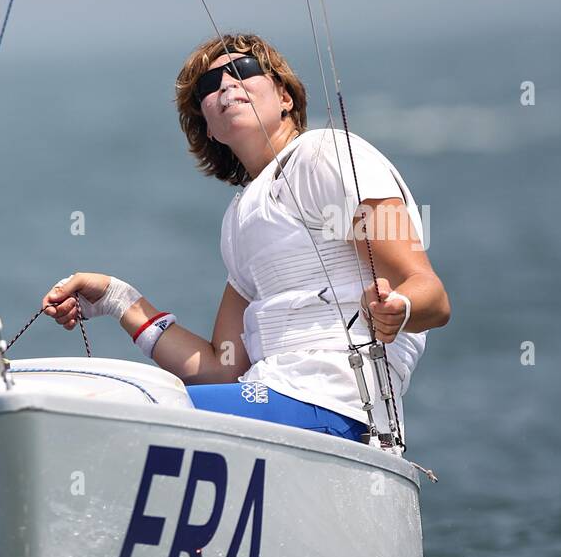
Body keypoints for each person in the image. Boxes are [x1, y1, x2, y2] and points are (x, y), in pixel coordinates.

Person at [44, 33, 450, 443]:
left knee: (124, 408)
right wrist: (118, 298)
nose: (225, 85)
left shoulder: (325, 156)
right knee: (116, 397)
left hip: (337, 406)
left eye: (242, 71)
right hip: (270, 398)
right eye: (209, 86)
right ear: (209, 128)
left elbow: (432, 294)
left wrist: (398, 307)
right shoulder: (240, 217)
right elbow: (223, 368)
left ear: (285, 96)